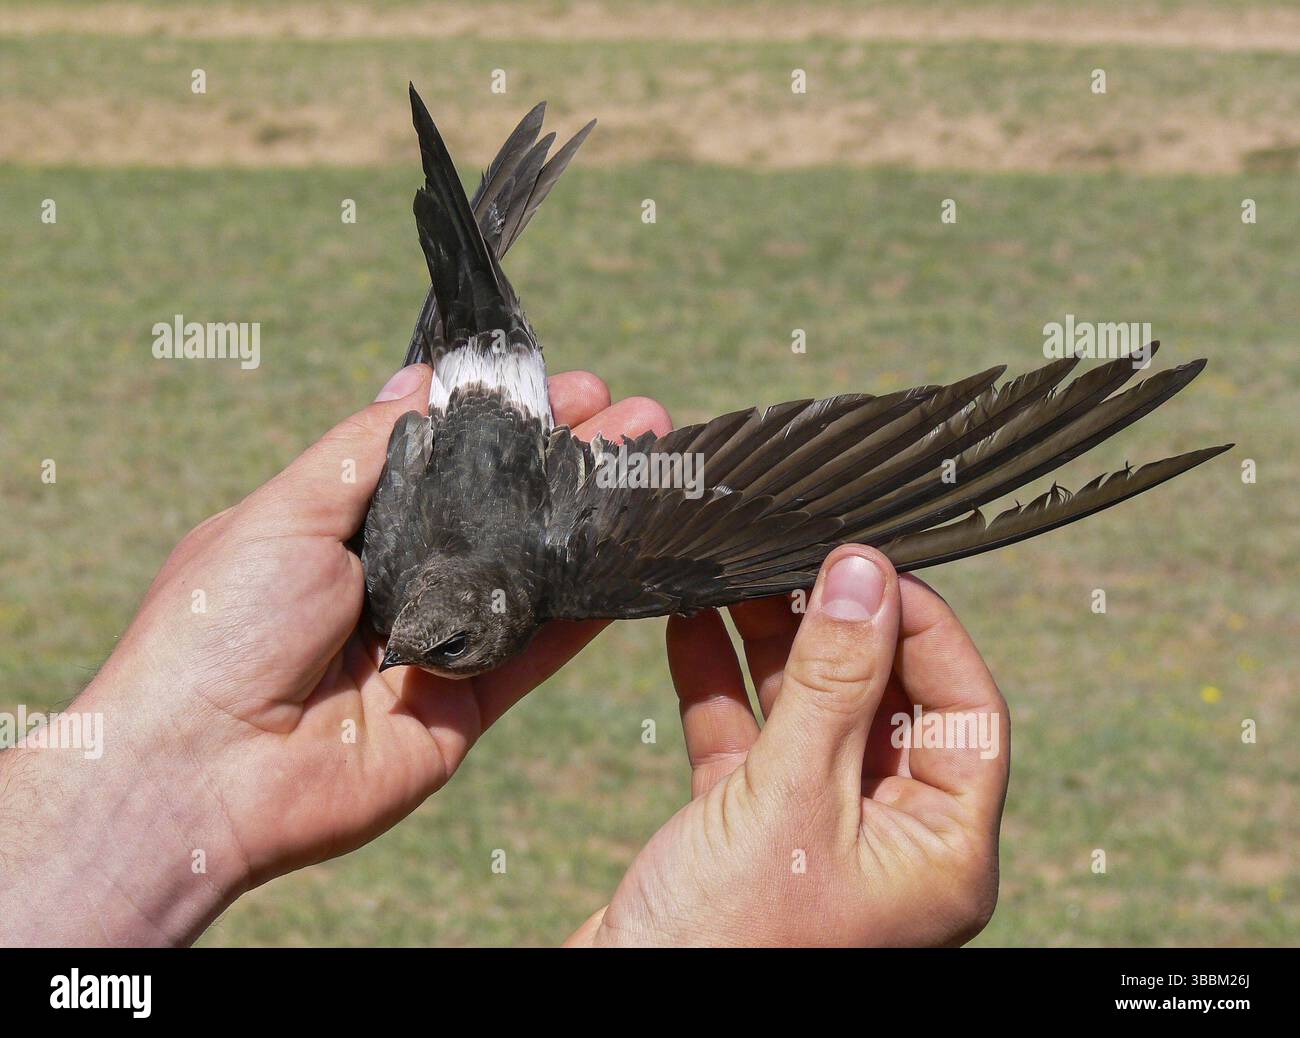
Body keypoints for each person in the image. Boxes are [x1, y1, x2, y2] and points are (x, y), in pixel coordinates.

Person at [0, 364, 1008, 947]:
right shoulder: (438, 588)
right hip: (496, 404)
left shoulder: (541, 575)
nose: (399, 661)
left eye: (428, 644)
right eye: (416, 645)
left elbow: (404, 452)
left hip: (478, 401)